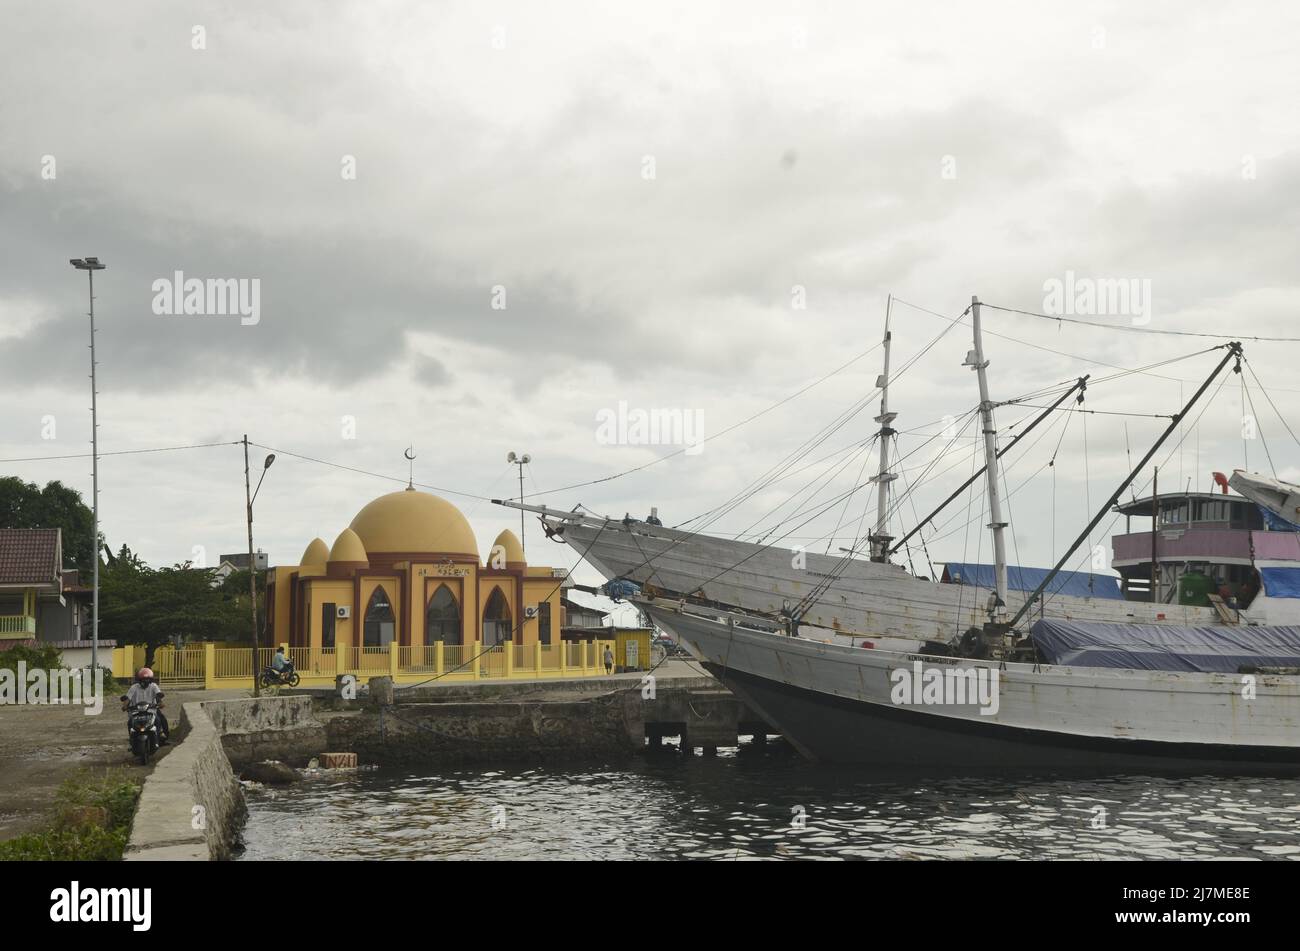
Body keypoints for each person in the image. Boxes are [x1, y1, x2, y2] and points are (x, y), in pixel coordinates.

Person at [121, 667, 168, 744]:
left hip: (150, 710)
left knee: (159, 720)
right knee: (130, 722)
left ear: (150, 680)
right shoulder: (134, 687)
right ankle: (132, 739)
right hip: (136, 711)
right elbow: (128, 698)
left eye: (147, 680)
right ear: (139, 680)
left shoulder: (153, 686)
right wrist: (125, 705)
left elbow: (158, 695)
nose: (145, 682)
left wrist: (160, 702)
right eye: (143, 680)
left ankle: (160, 736)